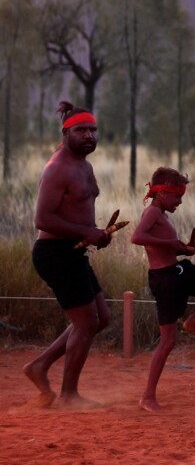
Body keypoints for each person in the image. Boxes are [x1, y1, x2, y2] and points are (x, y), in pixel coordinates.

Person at [23, 102, 113, 408]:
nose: (89, 135)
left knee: (101, 318)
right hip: (54, 252)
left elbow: (77, 212)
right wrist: (86, 233)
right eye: (81, 130)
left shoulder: (83, 165)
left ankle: (39, 366)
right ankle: (68, 396)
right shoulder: (58, 168)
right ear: (66, 133)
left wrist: (95, 233)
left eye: (92, 130)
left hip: (73, 251)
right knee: (87, 323)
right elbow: (42, 219)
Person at [131, 167, 195, 412]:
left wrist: (182, 249)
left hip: (177, 270)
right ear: (161, 193)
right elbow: (137, 237)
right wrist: (172, 243)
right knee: (168, 341)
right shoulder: (152, 212)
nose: (180, 201)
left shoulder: (162, 215)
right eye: (176, 196)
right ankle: (147, 397)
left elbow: (162, 247)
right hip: (164, 278)